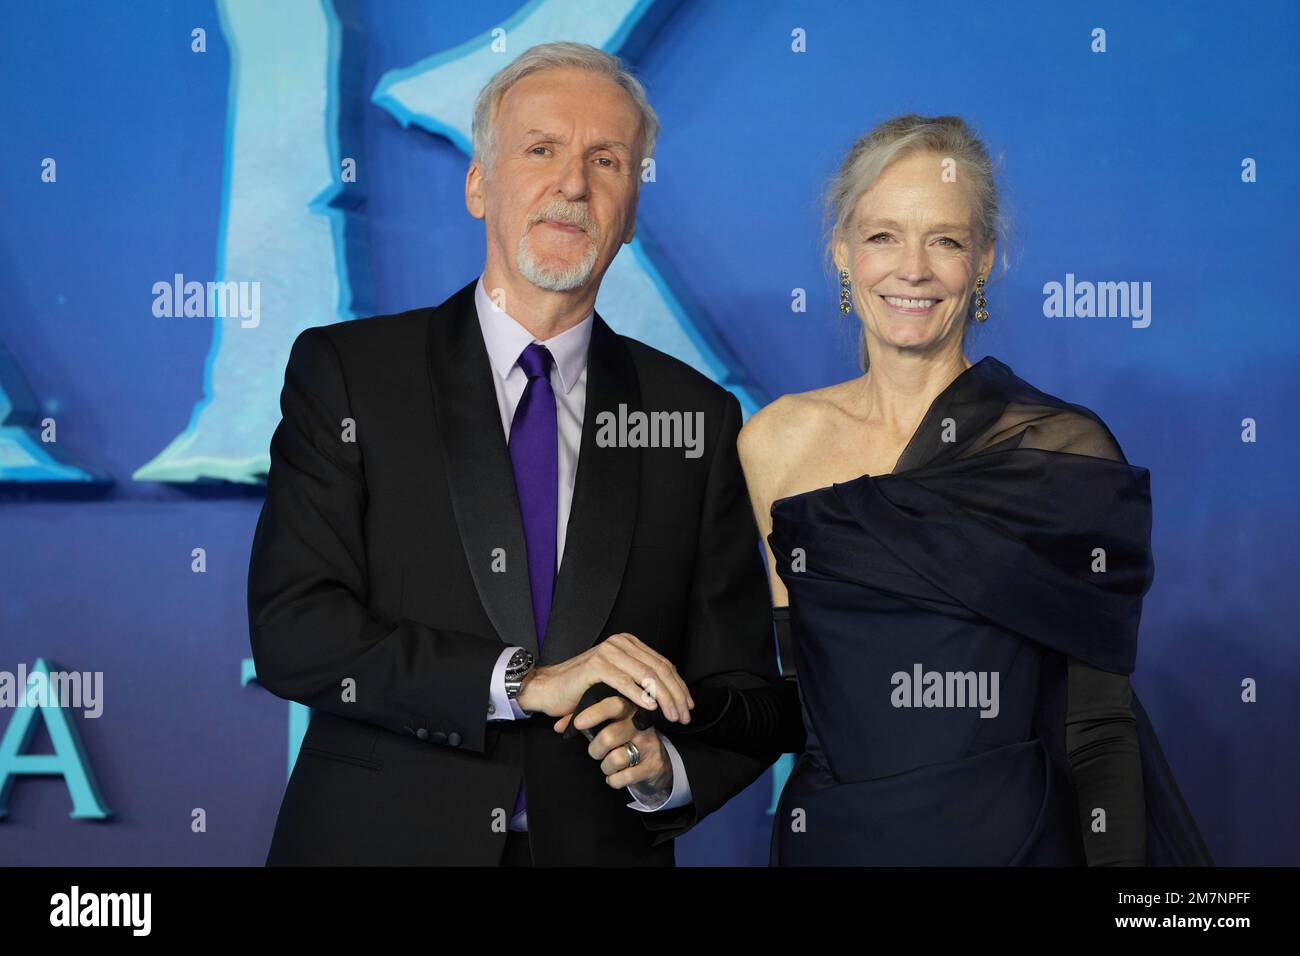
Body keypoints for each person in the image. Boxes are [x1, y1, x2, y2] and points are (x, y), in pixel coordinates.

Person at [610, 114, 1213, 866]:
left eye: (947, 240)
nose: (914, 269)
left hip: (1017, 848)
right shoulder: (775, 444)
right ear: (842, 251)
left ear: (984, 259)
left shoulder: (1060, 452)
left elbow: (1097, 727)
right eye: (884, 236)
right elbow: (796, 702)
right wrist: (674, 750)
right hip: (834, 843)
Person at [247, 42, 781, 866]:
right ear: (477, 184)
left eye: (606, 159)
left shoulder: (694, 417)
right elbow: (296, 630)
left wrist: (665, 768)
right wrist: (520, 682)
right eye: (542, 150)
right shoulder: (349, 375)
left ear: (633, 208)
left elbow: (740, 691)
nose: (573, 184)